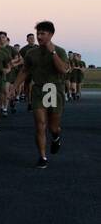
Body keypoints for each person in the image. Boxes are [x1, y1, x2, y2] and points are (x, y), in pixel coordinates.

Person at [15, 21, 70, 167]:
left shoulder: (60, 51)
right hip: (38, 90)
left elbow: (63, 70)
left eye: (42, 34)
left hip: (54, 89)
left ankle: (56, 136)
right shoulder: (31, 53)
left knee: (53, 127)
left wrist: (52, 52)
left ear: (51, 35)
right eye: (38, 33)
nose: (39, 36)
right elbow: (25, 70)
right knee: (40, 124)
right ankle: (42, 157)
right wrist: (14, 86)